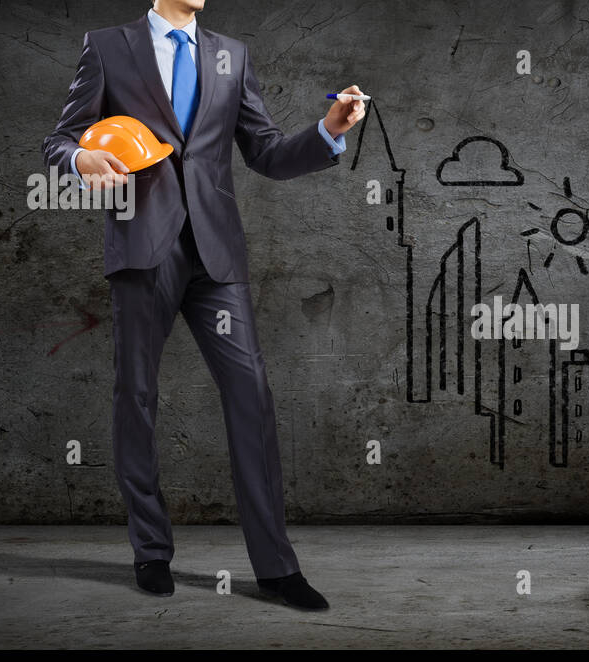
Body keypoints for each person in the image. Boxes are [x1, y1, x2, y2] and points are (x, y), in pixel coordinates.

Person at [42, 0, 364, 610]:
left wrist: (328, 132)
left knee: (252, 394)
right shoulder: (109, 45)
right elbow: (59, 139)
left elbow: (264, 152)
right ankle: (151, 553)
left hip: (217, 255)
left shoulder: (231, 55)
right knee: (136, 396)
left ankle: (275, 568)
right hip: (143, 249)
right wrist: (79, 157)